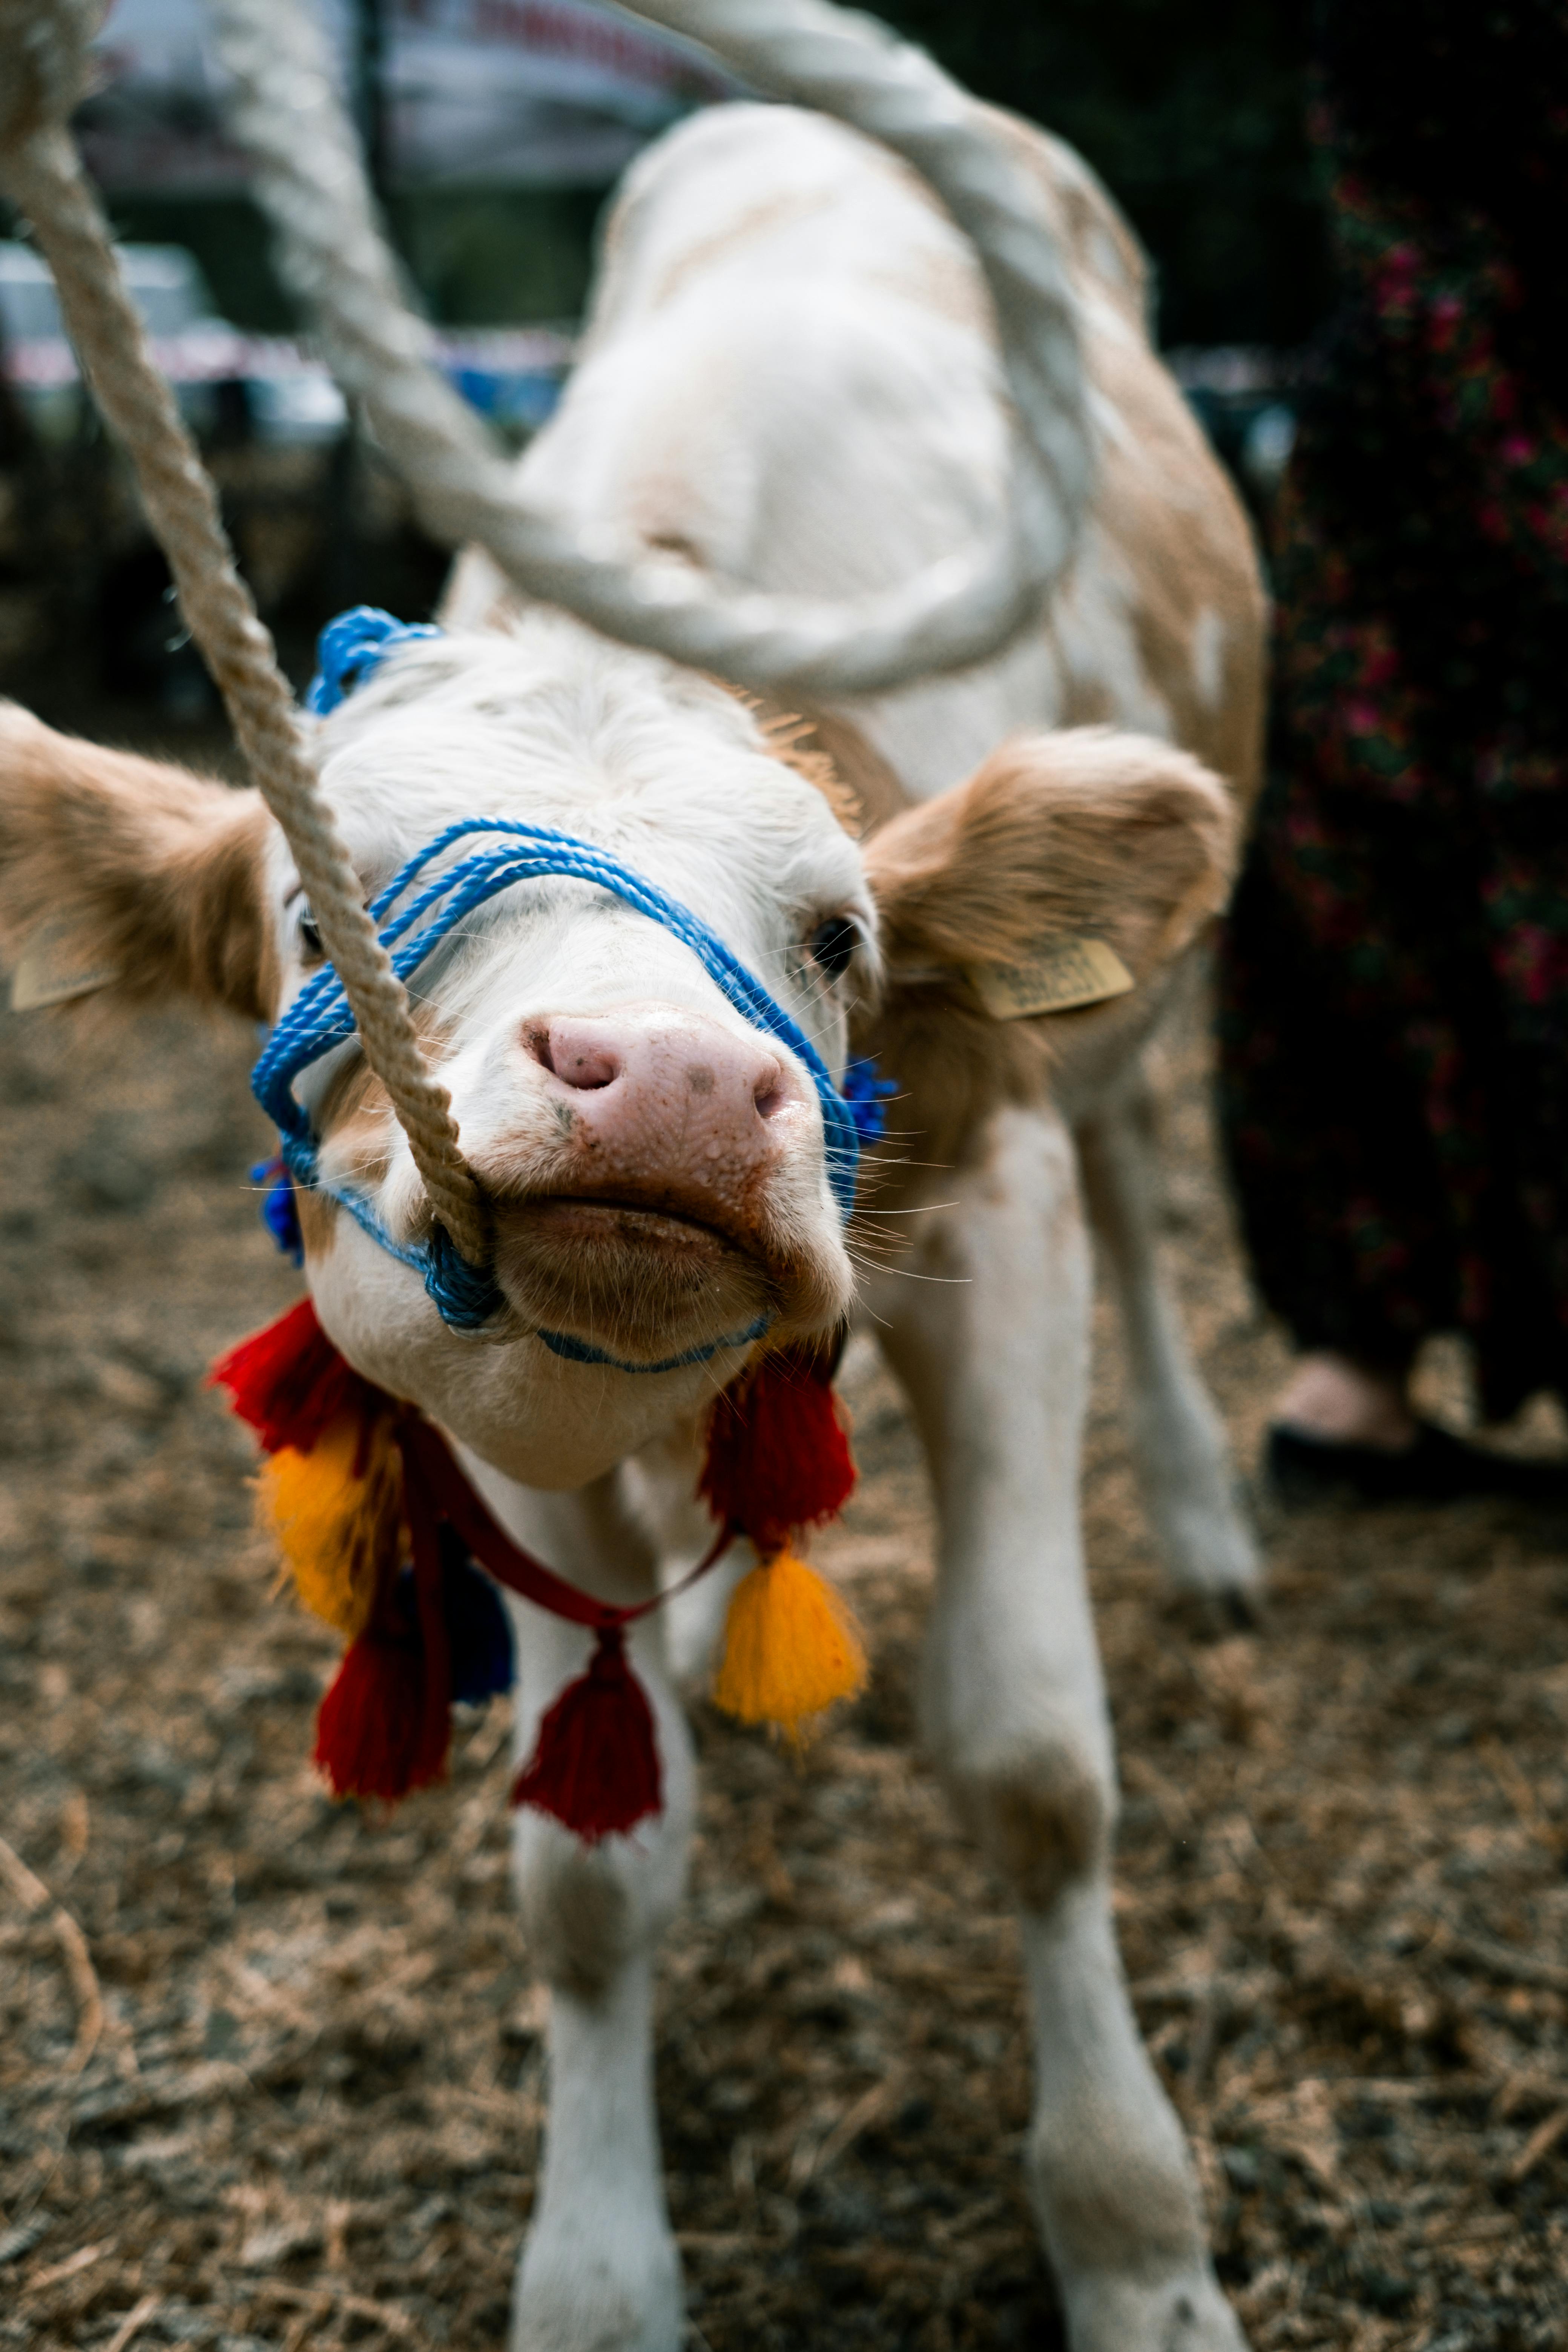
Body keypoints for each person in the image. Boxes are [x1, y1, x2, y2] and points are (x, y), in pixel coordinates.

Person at [1217, 0, 1568, 1506]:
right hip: (1489, 741)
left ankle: (1348, 1387)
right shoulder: (1478, 315)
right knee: (1493, 973)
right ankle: (1352, 1388)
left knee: (1361, 971)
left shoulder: (1396, 293)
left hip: (1358, 731)